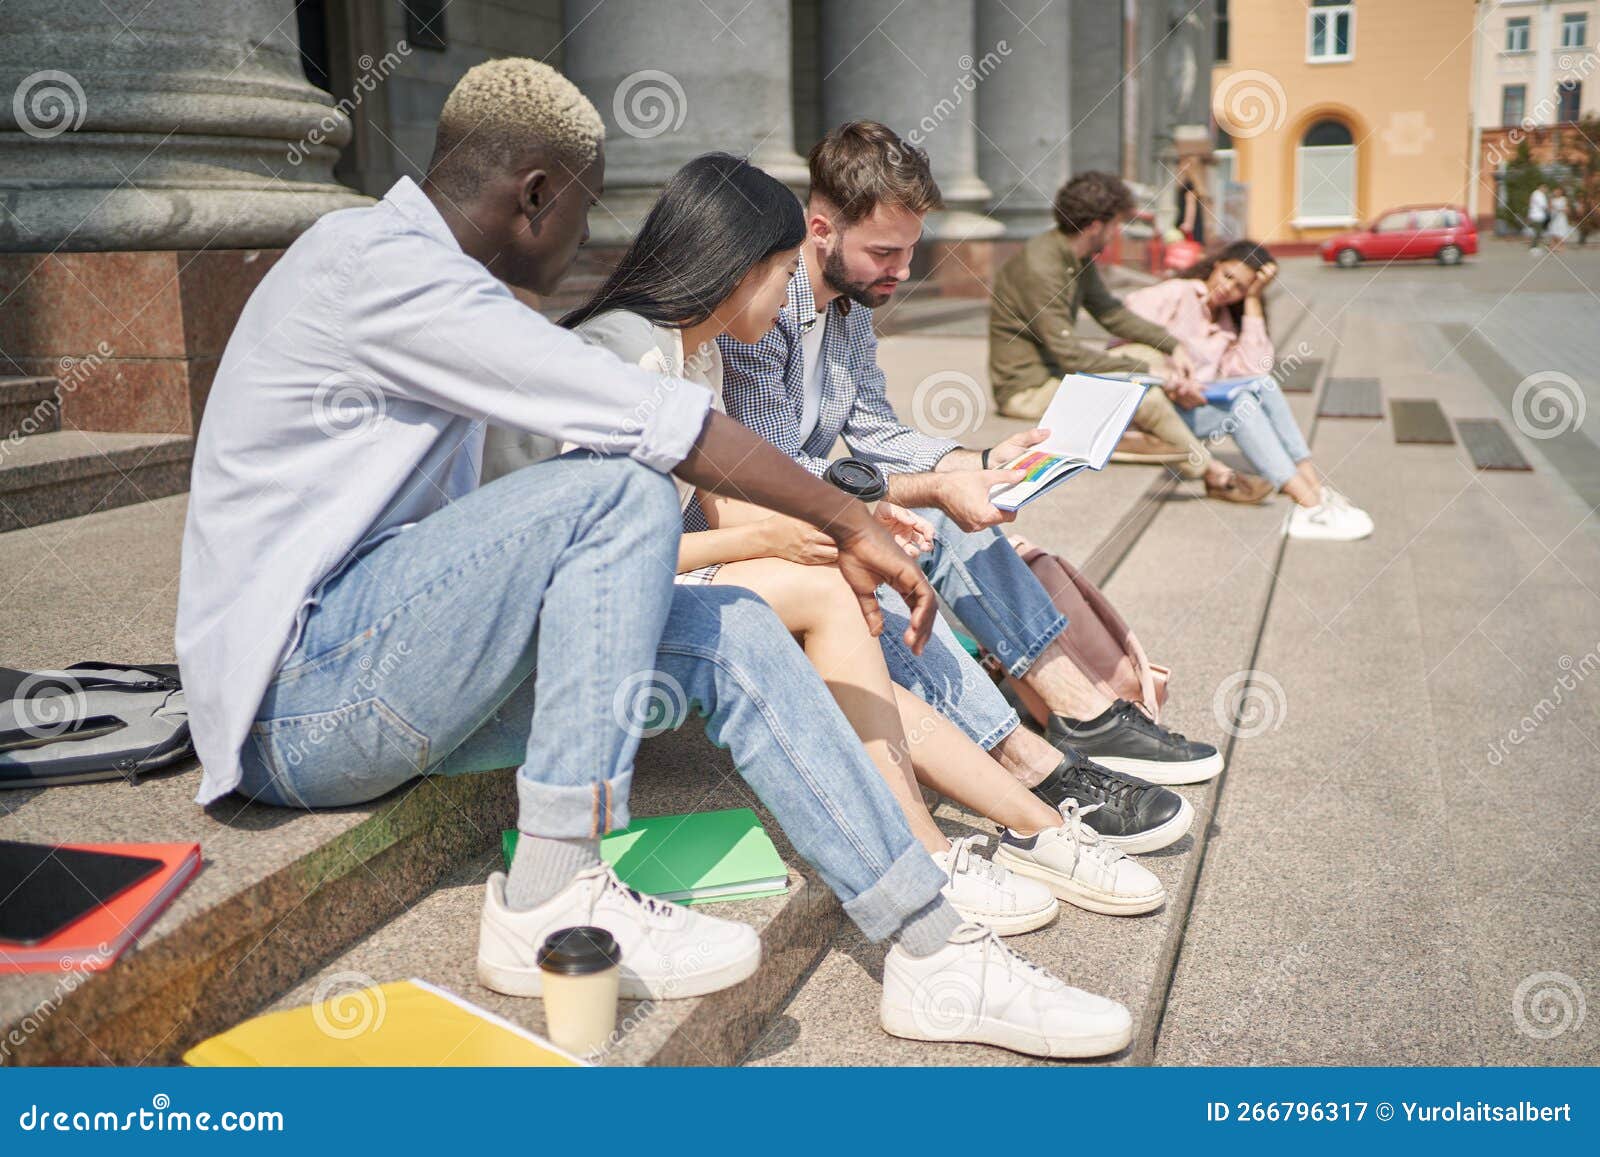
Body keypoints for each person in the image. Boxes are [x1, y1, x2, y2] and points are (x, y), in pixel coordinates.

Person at [176, 59, 1131, 1059]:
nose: (591, 240)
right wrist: (852, 525)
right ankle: (554, 883)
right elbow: (653, 425)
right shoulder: (374, 265)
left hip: (400, 666)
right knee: (624, 485)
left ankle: (932, 949)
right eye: (584, 212)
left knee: (738, 628)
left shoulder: (433, 279)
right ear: (535, 191)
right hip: (306, 706)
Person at [486, 152, 1167, 924]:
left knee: (847, 574)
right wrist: (817, 534)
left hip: (629, 587)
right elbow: (579, 561)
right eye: (782, 274)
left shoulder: (695, 354)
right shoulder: (626, 356)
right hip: (551, 627)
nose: (787, 303)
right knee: (829, 587)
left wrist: (835, 532)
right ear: (736, 266)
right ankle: (947, 845)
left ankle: (1037, 825)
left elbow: (732, 514)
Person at [714, 122, 1227, 793]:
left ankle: (1082, 709)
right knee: (919, 522)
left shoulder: (853, 307)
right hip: (749, 524)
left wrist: (979, 459)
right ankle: (1020, 751)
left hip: (811, 501)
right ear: (820, 230)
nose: (903, 270)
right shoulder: (763, 309)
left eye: (909, 250)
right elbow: (770, 473)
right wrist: (924, 491)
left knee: (958, 514)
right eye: (884, 252)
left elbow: (876, 428)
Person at [989, 170, 1272, 505]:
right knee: (1143, 395)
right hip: (1027, 389)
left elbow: (1111, 313)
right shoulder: (1042, 267)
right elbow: (1069, 354)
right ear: (1096, 225)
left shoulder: (1073, 256)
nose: (1117, 233)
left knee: (1148, 357)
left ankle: (1141, 432)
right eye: (1116, 224)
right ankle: (1214, 474)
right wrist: (1150, 373)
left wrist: (1171, 346)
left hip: (1055, 374)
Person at [1122, 241, 1373, 542]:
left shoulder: (1228, 324)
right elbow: (1126, 328)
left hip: (1192, 407)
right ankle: (1307, 503)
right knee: (1241, 407)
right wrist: (1173, 377)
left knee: (1262, 386)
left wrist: (1253, 299)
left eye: (1240, 288)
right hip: (1151, 406)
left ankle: (1314, 489)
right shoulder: (1178, 293)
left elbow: (1256, 368)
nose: (1229, 289)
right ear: (1216, 264)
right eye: (1227, 276)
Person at [1175, 154, 1207, 247]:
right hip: (1193, 225)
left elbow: (1190, 204)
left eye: (1181, 163)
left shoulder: (1188, 185)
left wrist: (1187, 224)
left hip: (1188, 226)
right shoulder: (1193, 185)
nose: (1179, 167)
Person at [1548, 186, 1571, 253]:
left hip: (1561, 218)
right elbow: (1549, 209)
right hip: (1553, 218)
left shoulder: (1564, 199)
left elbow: (1567, 209)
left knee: (1561, 232)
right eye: (1555, 191)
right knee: (1553, 232)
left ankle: (1561, 247)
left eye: (1558, 191)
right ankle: (1552, 246)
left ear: (1561, 192)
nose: (1556, 192)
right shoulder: (1551, 199)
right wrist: (1551, 208)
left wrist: (1561, 209)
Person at [1528, 183, 1549, 253]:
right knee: (1538, 232)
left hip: (1535, 215)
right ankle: (1534, 247)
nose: (1546, 190)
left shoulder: (1535, 193)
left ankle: (1535, 246)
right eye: (1545, 188)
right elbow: (1543, 205)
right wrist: (1548, 209)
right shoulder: (1539, 194)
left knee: (1537, 232)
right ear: (1542, 187)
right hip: (1537, 216)